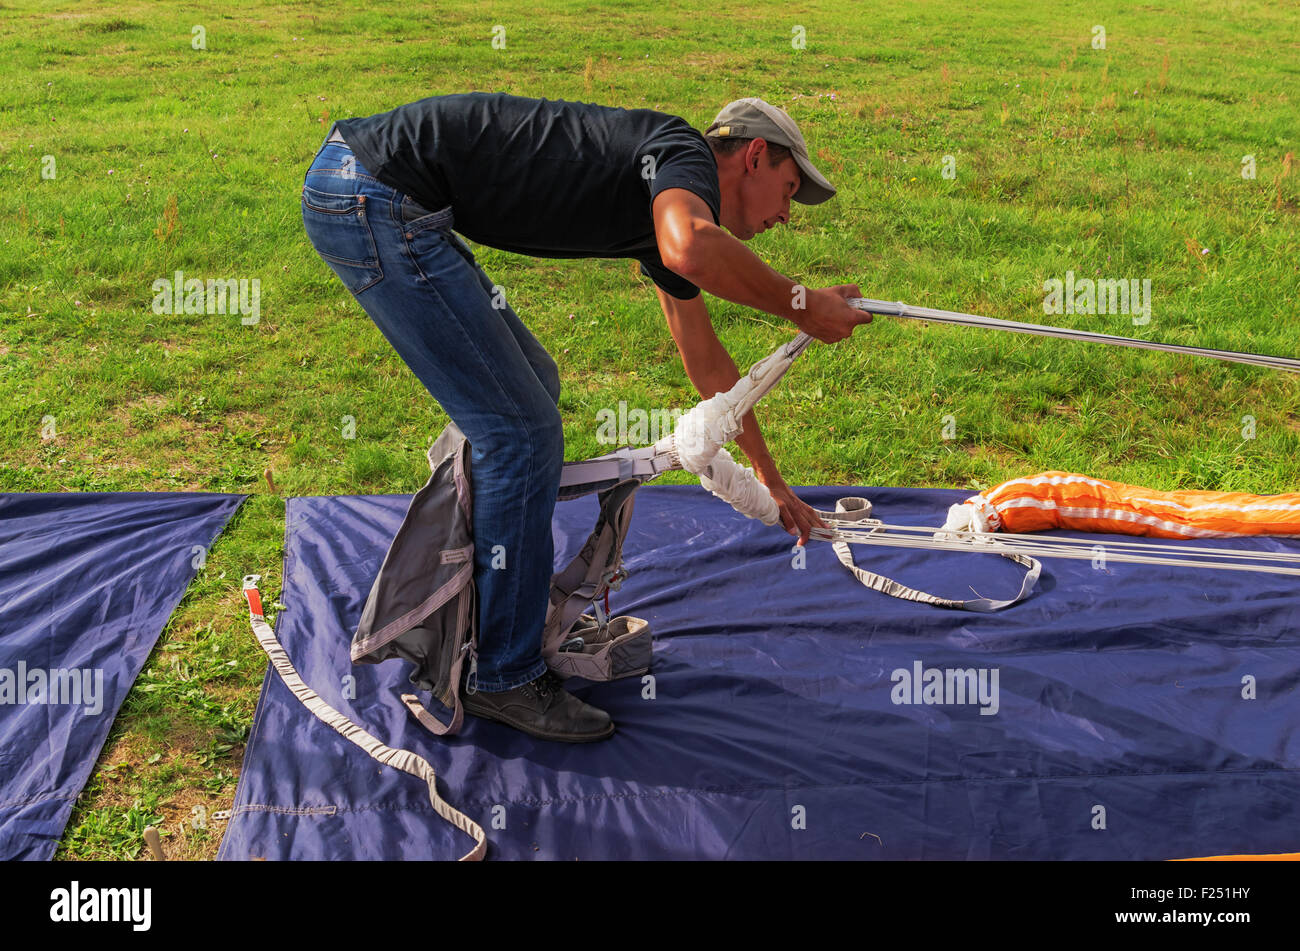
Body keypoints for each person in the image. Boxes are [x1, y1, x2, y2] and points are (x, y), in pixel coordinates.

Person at [300, 92, 870, 744]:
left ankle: (486, 613)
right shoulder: (682, 159)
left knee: (529, 396)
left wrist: (773, 485)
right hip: (373, 195)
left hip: (375, 188)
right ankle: (503, 674)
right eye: (788, 191)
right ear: (755, 155)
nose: (785, 217)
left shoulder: (666, 214)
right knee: (519, 432)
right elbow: (692, 249)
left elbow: (712, 369)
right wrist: (801, 305)